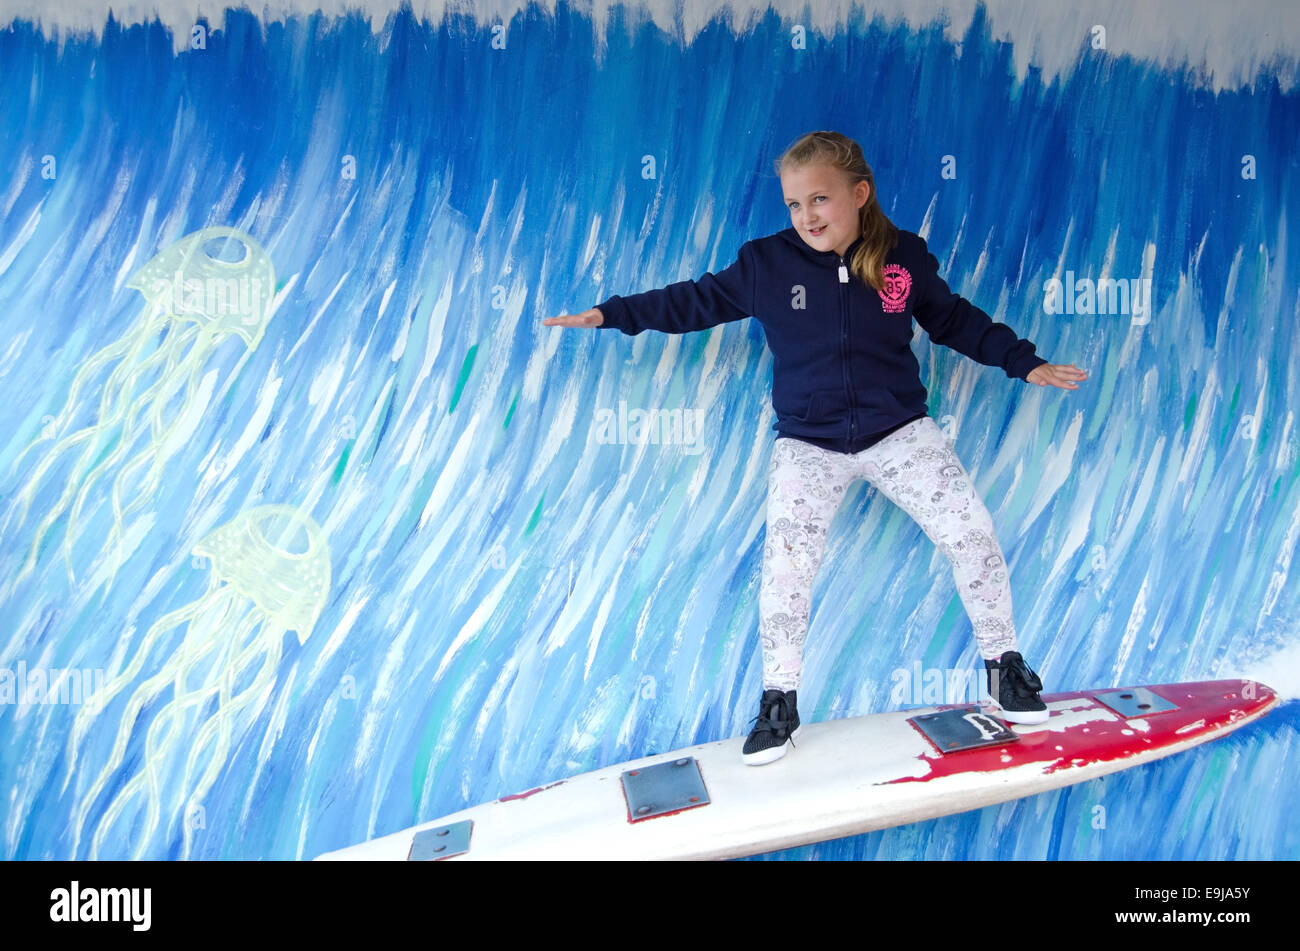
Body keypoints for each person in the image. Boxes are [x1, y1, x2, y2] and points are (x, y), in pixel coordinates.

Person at [544, 130, 1087, 766]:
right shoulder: (765, 265)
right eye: (795, 205)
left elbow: (954, 320)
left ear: (859, 194)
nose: (808, 217)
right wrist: (611, 315)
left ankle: (1004, 664)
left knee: (971, 532)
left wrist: (1025, 363)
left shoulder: (900, 259)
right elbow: (691, 301)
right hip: (809, 444)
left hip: (898, 431)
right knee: (785, 571)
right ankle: (780, 701)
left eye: (821, 199)